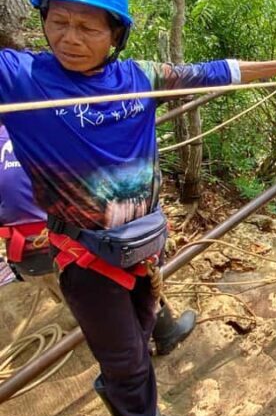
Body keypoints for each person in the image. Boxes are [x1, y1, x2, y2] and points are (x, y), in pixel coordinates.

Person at [0, 0, 276, 416]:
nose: (70, 38)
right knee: (128, 360)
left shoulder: (138, 79)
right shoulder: (21, 80)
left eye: (87, 26)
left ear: (114, 34)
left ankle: (122, 402)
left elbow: (216, 72)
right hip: (84, 258)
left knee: (143, 333)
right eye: (59, 22)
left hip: (144, 246)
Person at [0, 118, 197, 354]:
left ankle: (117, 336)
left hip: (27, 258)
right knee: (132, 250)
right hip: (71, 250)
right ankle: (159, 336)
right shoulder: (53, 129)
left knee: (88, 301)